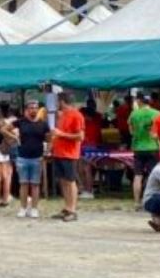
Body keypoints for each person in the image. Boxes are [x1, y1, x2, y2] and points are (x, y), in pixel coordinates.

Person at [50, 91, 85, 221]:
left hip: (69, 154)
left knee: (70, 182)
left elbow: (80, 137)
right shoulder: (62, 115)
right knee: (63, 181)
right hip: (59, 152)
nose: (56, 104)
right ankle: (67, 207)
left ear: (62, 101)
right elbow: (60, 133)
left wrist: (61, 134)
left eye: (57, 101)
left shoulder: (76, 115)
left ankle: (73, 210)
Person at [14, 98, 48, 219]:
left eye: (35, 108)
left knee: (35, 184)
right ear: (27, 110)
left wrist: (47, 150)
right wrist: (13, 137)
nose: (33, 110)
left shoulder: (43, 124)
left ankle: (34, 208)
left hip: (37, 157)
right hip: (22, 156)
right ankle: (23, 208)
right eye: (31, 108)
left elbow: (48, 138)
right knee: (23, 184)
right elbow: (3, 129)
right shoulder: (20, 122)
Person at [128, 93, 160, 202]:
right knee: (153, 175)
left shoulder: (134, 114)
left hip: (138, 147)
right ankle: (151, 199)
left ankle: (137, 202)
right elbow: (159, 131)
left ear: (139, 101)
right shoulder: (156, 113)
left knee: (138, 176)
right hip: (153, 146)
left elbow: (131, 131)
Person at [80, 98, 104, 200]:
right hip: (95, 144)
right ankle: (89, 189)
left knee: (86, 169)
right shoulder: (98, 116)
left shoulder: (82, 115)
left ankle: (88, 190)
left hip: (85, 145)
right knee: (91, 168)